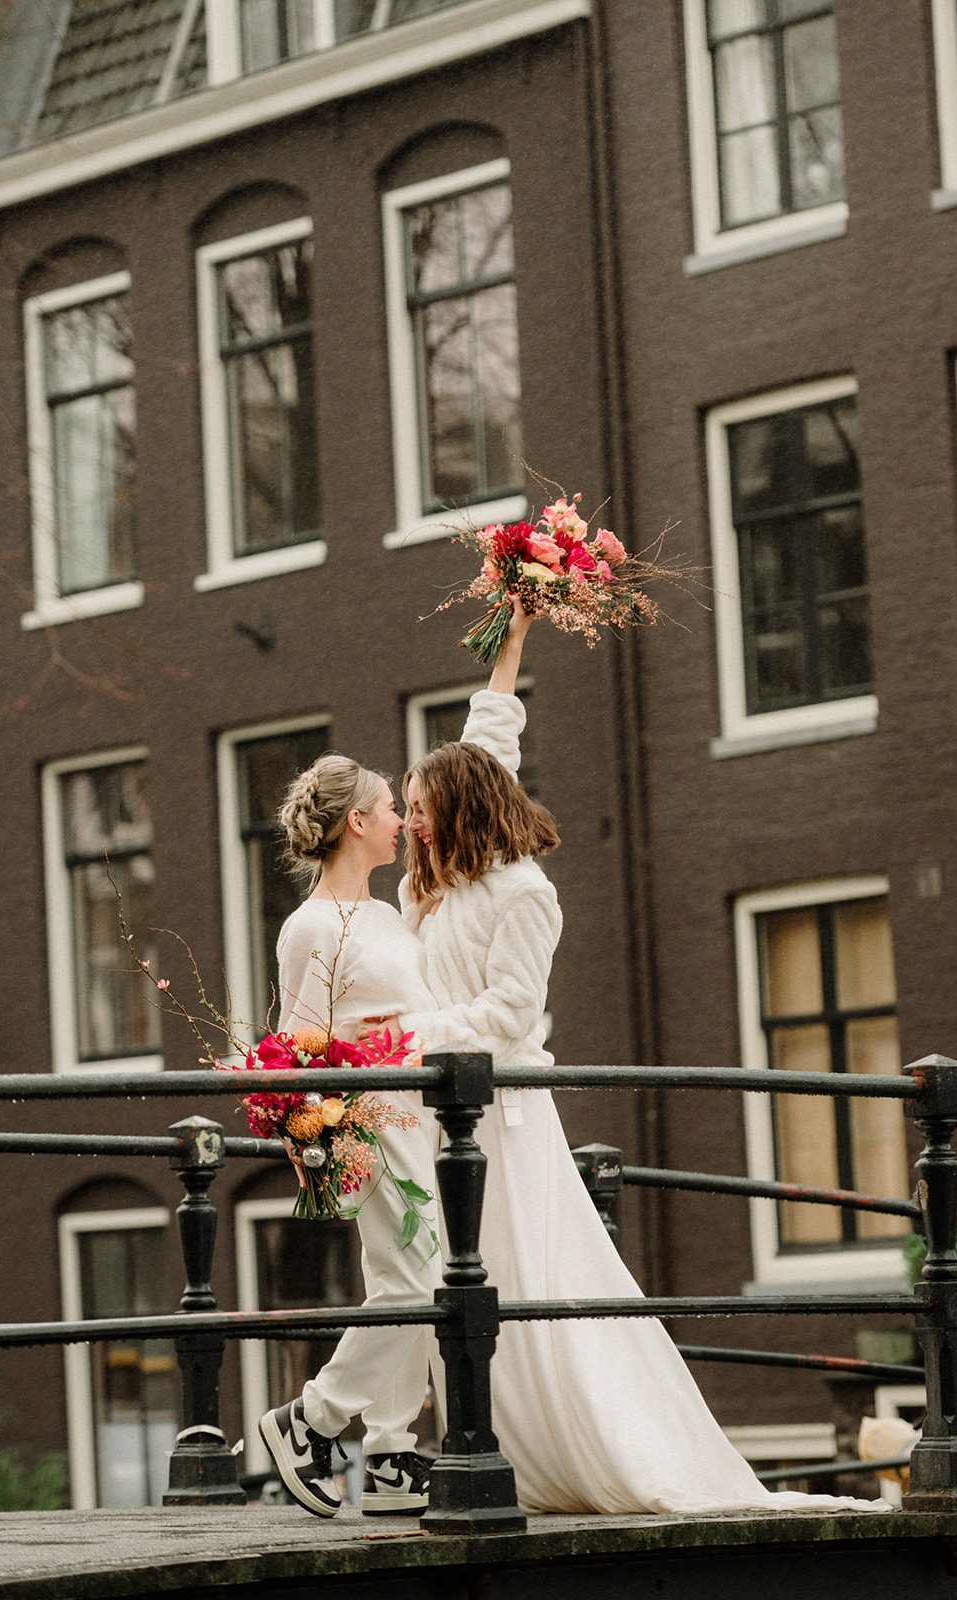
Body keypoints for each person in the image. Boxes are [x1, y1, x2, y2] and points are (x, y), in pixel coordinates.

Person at [374, 608, 890, 1517]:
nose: (408, 824)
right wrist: (514, 640)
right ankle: (488, 1443)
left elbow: (509, 1013)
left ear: (454, 810)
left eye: (419, 809)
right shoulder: (437, 881)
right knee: (455, 1273)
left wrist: (401, 1040)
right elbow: (485, 739)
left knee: (526, 1280)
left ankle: (588, 1449)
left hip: (504, 1116)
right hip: (441, 1112)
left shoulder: (523, 893)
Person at [256, 755, 442, 1518]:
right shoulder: (310, 927)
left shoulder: (388, 915)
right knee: (420, 1279)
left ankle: (394, 1452)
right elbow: (295, 1044)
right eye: (390, 807)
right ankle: (312, 1419)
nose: (403, 820)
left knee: (408, 1273)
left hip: (418, 1112)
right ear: (356, 823)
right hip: (368, 1115)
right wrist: (309, 1139)